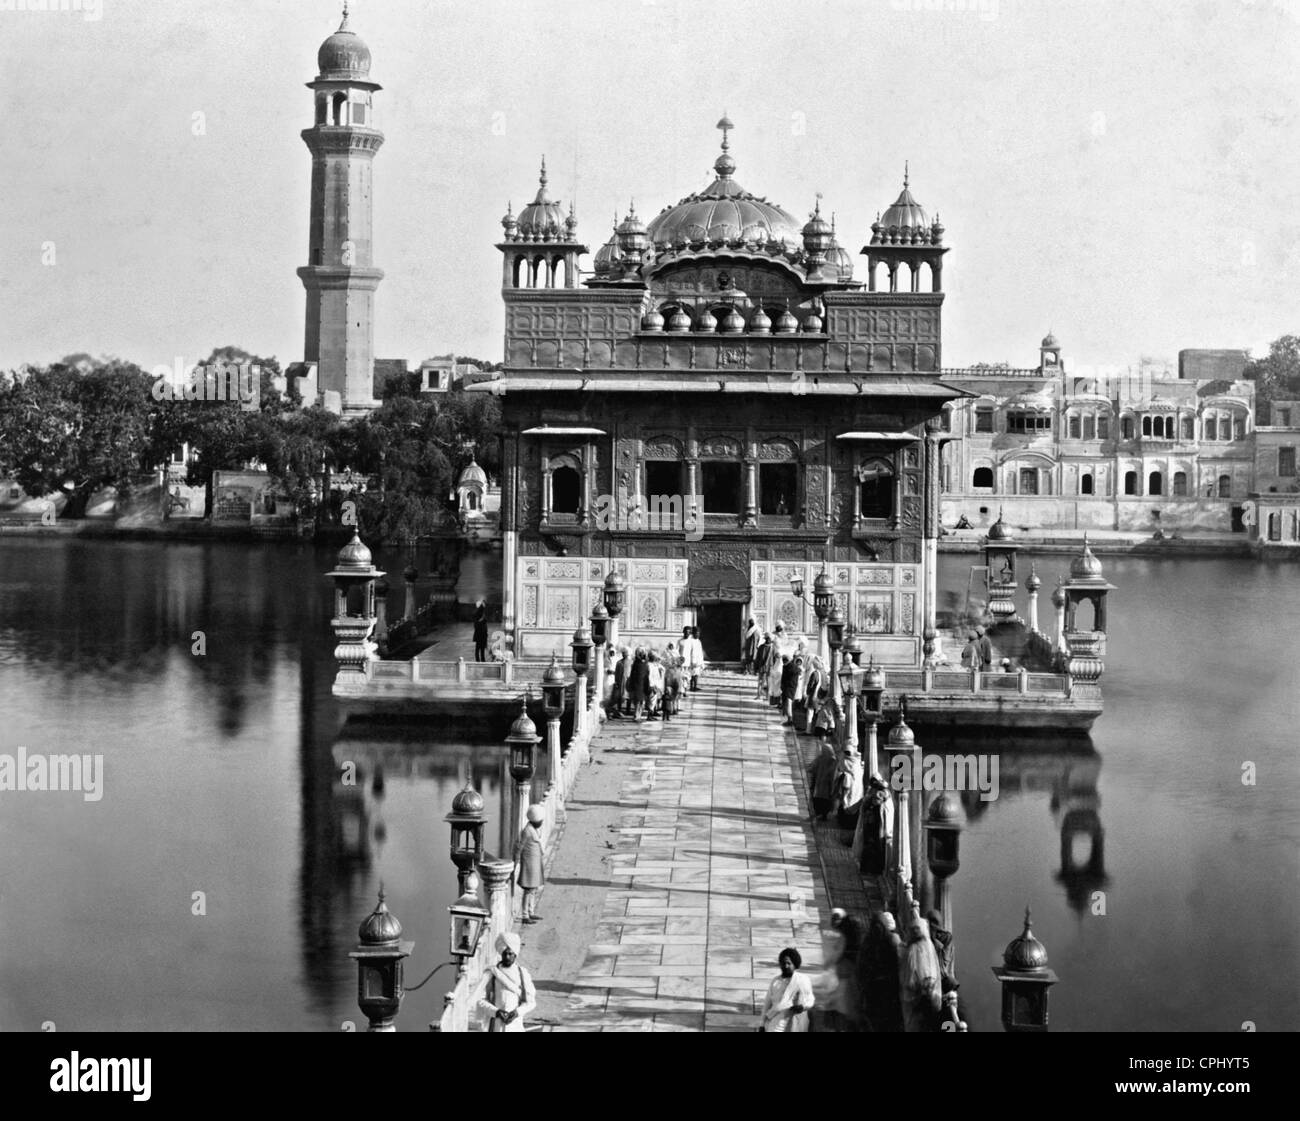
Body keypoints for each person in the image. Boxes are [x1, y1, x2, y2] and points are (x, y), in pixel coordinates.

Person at [476, 932, 536, 1033]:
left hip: (515, 1025)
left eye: (510, 954)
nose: (507, 957)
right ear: (501, 954)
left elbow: (530, 1002)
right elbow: (480, 1000)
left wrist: (517, 1012)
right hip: (497, 1025)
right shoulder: (492, 973)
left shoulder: (522, 974)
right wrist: (496, 1012)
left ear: (515, 955)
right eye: (505, 954)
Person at [900, 914, 943, 1032]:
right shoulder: (929, 946)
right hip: (931, 998)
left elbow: (909, 980)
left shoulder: (912, 950)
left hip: (915, 1000)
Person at [759, 947, 815, 1032]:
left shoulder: (802, 980)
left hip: (794, 1024)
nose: (786, 966)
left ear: (795, 964)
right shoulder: (775, 981)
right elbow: (767, 1004)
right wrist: (762, 1024)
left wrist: (802, 1007)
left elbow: (810, 999)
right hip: (775, 1024)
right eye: (783, 963)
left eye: (789, 963)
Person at [513, 804, 546, 924]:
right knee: (528, 890)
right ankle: (525, 915)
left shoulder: (533, 829)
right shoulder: (527, 831)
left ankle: (531, 911)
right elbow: (519, 847)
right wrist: (515, 861)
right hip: (529, 865)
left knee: (533, 889)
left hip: (535, 864)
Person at [809, 736, 838, 821]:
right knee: (823, 801)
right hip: (824, 786)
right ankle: (822, 814)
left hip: (824, 785)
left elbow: (812, 769)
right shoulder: (832, 760)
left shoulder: (822, 759)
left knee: (821, 800)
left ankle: (820, 814)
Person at [627, 647, 650, 721]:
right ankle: (636, 716)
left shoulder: (642, 664)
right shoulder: (637, 664)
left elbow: (646, 675)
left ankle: (638, 715)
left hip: (642, 684)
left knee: (641, 701)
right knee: (638, 701)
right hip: (638, 684)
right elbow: (633, 675)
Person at [610, 645, 629, 719]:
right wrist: (616, 682)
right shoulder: (619, 662)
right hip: (620, 681)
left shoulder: (630, 662)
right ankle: (619, 710)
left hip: (628, 681)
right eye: (623, 653)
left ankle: (627, 710)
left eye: (625, 653)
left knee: (628, 697)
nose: (624, 655)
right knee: (619, 697)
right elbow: (617, 673)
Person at [663, 649, 682, 722]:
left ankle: (674, 709)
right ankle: (669, 713)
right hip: (670, 687)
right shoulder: (669, 670)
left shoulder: (677, 670)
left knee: (675, 699)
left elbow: (679, 679)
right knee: (669, 701)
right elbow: (667, 679)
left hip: (675, 686)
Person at [682, 627, 704, 691]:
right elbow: (690, 651)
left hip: (698, 660)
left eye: (699, 634)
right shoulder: (690, 641)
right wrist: (692, 661)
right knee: (691, 674)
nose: (698, 635)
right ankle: (691, 687)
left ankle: (695, 686)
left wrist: (700, 660)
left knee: (696, 674)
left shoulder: (698, 641)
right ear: (693, 634)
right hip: (692, 660)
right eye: (696, 633)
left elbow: (700, 651)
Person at [646, 650, 665, 719]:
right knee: (651, 700)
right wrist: (652, 685)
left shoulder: (654, 665)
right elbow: (649, 676)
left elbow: (662, 669)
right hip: (652, 685)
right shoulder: (650, 665)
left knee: (653, 700)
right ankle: (649, 715)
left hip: (655, 684)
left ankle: (652, 713)